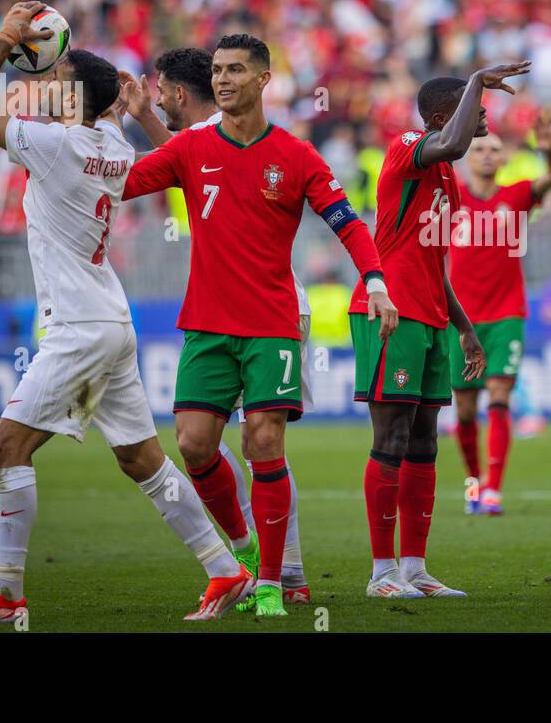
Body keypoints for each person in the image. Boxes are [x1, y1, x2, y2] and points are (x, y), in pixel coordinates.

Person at [0, 2, 248, 623]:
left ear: (75, 99)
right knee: (140, 459)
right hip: (112, 321)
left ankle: (6, 590)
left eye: (56, 80)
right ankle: (225, 569)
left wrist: (1, 44)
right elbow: (111, 123)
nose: (45, 85)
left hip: (78, 327)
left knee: (7, 449)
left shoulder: (53, 144)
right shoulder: (110, 140)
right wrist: (115, 107)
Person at [123, 33, 398, 617]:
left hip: (271, 322)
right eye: (218, 70)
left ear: (264, 79)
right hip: (206, 323)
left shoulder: (295, 155)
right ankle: (246, 555)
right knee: (195, 445)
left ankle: (273, 579)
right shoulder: (192, 150)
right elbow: (121, 182)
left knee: (263, 440)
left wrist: (375, 282)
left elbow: (348, 222)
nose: (222, 80)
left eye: (236, 70)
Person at [121, 49, 314, 606]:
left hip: (271, 307)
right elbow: (184, 162)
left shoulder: (228, 130)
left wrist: (138, 121)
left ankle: (284, 573)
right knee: (214, 442)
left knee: (263, 445)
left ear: (180, 94)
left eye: (160, 94)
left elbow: (188, 155)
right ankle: (269, 563)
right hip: (230, 307)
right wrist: (144, 121)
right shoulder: (202, 138)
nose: (156, 101)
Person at [348, 63, 531, 598]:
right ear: (441, 116)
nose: (485, 115)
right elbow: (449, 145)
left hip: (431, 315)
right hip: (390, 313)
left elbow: (433, 263)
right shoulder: (409, 143)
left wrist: (466, 329)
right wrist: (476, 77)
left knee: (425, 440)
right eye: (476, 107)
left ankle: (414, 568)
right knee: (392, 437)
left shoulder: (447, 176)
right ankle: (381, 574)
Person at [447, 117, 551, 516]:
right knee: (464, 408)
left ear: (504, 158)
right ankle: (474, 483)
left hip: (506, 312)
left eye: (494, 149)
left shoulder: (516, 196)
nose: (486, 154)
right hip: (459, 320)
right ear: (466, 157)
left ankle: (494, 489)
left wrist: (548, 149)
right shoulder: (451, 196)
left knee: (499, 397)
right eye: (478, 149)